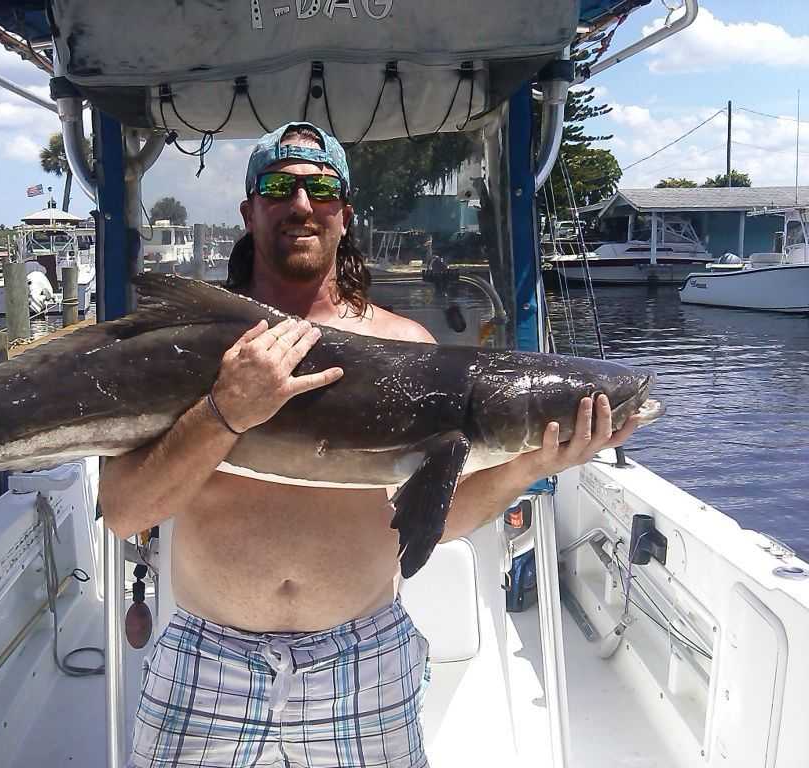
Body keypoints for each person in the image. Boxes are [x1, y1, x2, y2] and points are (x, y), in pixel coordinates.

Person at [99, 122, 638, 768]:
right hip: (206, 656)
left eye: (322, 189)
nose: (302, 204)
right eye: (279, 187)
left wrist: (531, 464)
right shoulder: (192, 352)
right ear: (249, 211)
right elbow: (126, 514)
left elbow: (434, 520)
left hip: (363, 658)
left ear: (345, 215)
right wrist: (223, 413)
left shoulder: (407, 347)